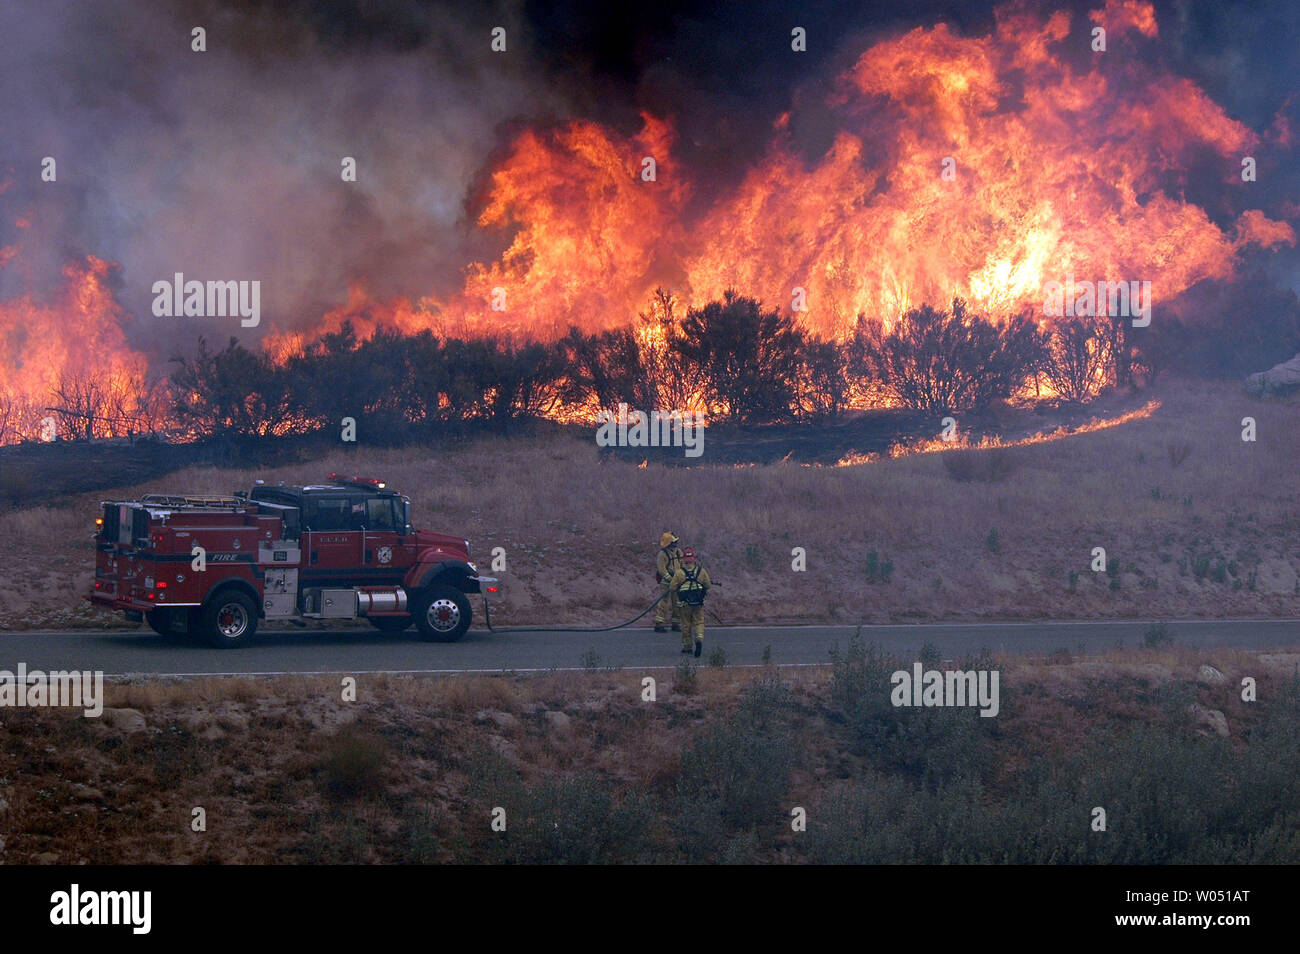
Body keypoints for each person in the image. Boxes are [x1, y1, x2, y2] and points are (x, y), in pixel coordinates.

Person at [667, 547, 711, 657]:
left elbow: (672, 587)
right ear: (694, 559)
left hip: (684, 604)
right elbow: (708, 585)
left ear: (684, 560)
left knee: (686, 625)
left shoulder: (679, 573)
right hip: (698, 604)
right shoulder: (702, 571)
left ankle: (687, 647)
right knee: (699, 622)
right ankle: (699, 639)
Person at [654, 531, 684, 633]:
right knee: (664, 602)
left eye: (676, 541)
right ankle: (659, 624)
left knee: (678, 603)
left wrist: (683, 577)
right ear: (668, 543)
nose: (675, 544)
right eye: (673, 542)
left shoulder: (679, 552)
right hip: (666, 582)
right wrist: (670, 579)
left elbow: (682, 565)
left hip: (677, 581)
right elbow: (661, 569)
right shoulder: (662, 554)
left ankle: (675, 624)